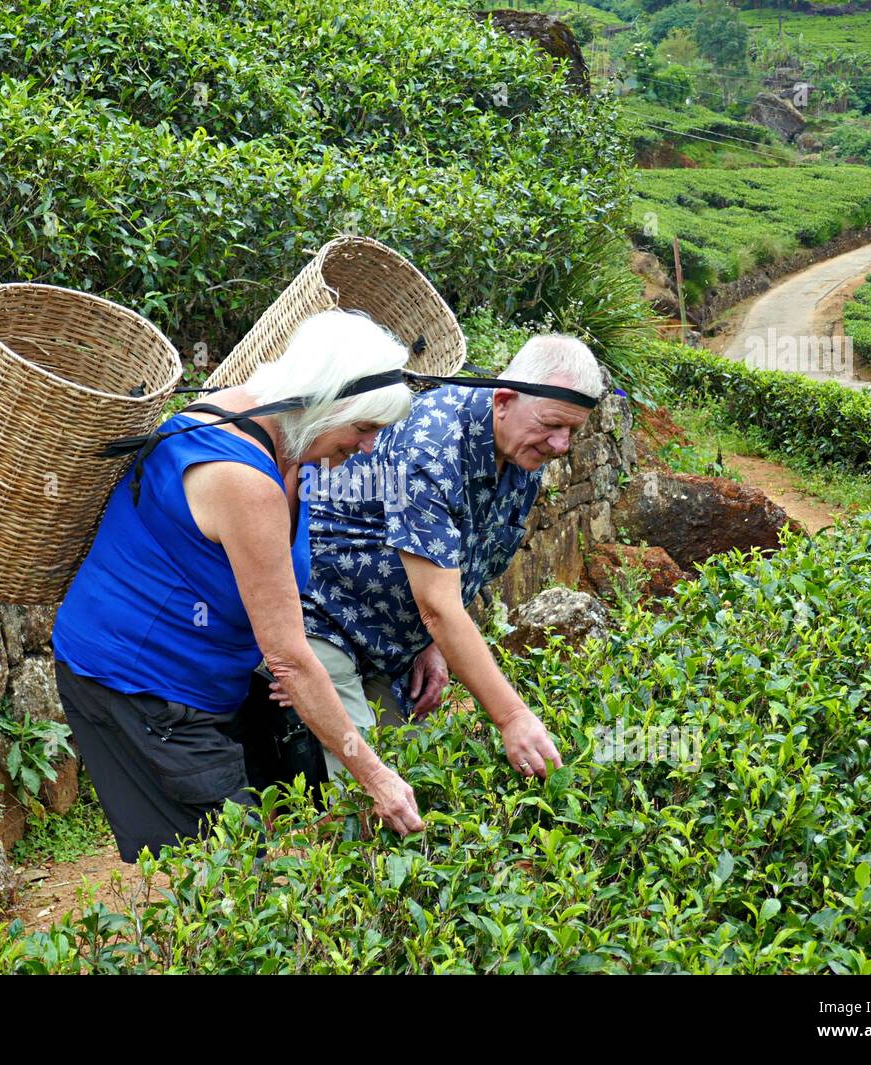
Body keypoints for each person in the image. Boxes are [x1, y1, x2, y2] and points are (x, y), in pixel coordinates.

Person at [50, 309, 426, 861]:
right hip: (138, 685)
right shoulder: (243, 481)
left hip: (205, 676)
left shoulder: (285, 436)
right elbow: (292, 657)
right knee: (231, 874)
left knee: (266, 838)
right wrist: (374, 773)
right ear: (324, 402)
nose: (369, 447)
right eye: (364, 428)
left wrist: (280, 663)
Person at [277, 334, 605, 781]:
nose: (562, 444)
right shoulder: (433, 442)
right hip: (326, 617)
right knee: (363, 788)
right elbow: (438, 606)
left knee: (417, 775)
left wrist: (431, 645)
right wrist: (512, 718)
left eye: (573, 431)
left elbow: (462, 562)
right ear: (504, 400)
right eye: (552, 425)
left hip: (393, 645)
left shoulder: (523, 451)